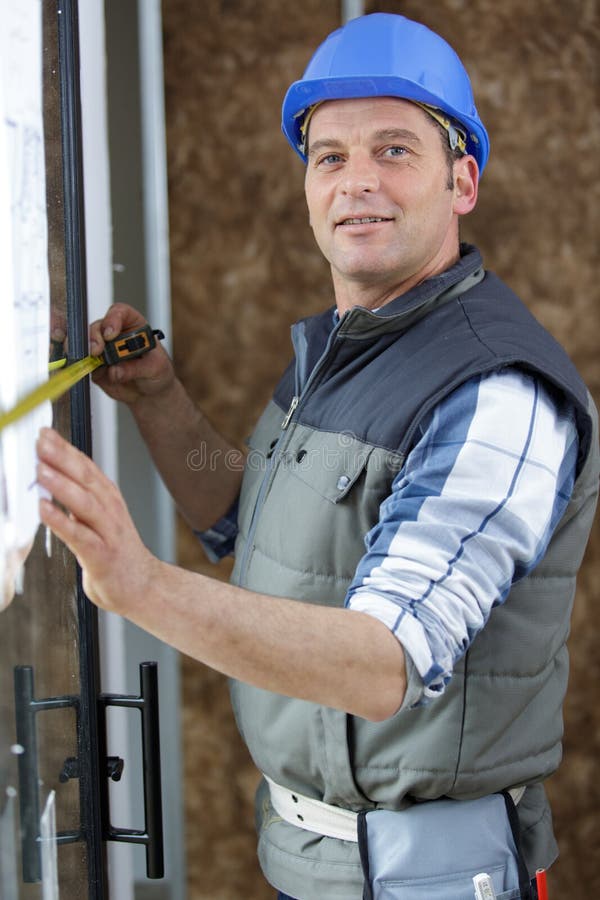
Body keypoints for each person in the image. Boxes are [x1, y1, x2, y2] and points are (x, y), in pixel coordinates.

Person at [37, 13, 598, 900]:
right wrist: (158, 400)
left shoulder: (496, 391)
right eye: (330, 156)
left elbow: (385, 665)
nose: (357, 182)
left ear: (464, 180)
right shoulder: (344, 353)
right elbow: (248, 519)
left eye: (394, 150)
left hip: (431, 877)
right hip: (318, 860)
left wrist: (139, 586)